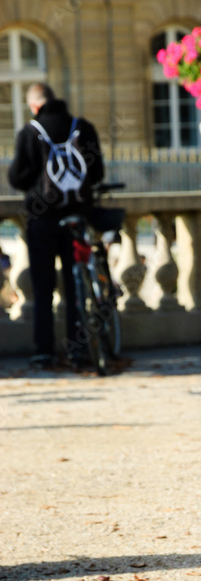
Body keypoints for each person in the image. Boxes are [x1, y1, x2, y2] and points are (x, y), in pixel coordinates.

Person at [7, 83, 104, 369]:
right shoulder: (82, 127)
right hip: (78, 218)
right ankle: (77, 350)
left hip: (43, 220)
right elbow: (97, 172)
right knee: (77, 287)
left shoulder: (30, 131)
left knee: (43, 286)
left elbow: (17, 178)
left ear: (35, 106)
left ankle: (43, 351)